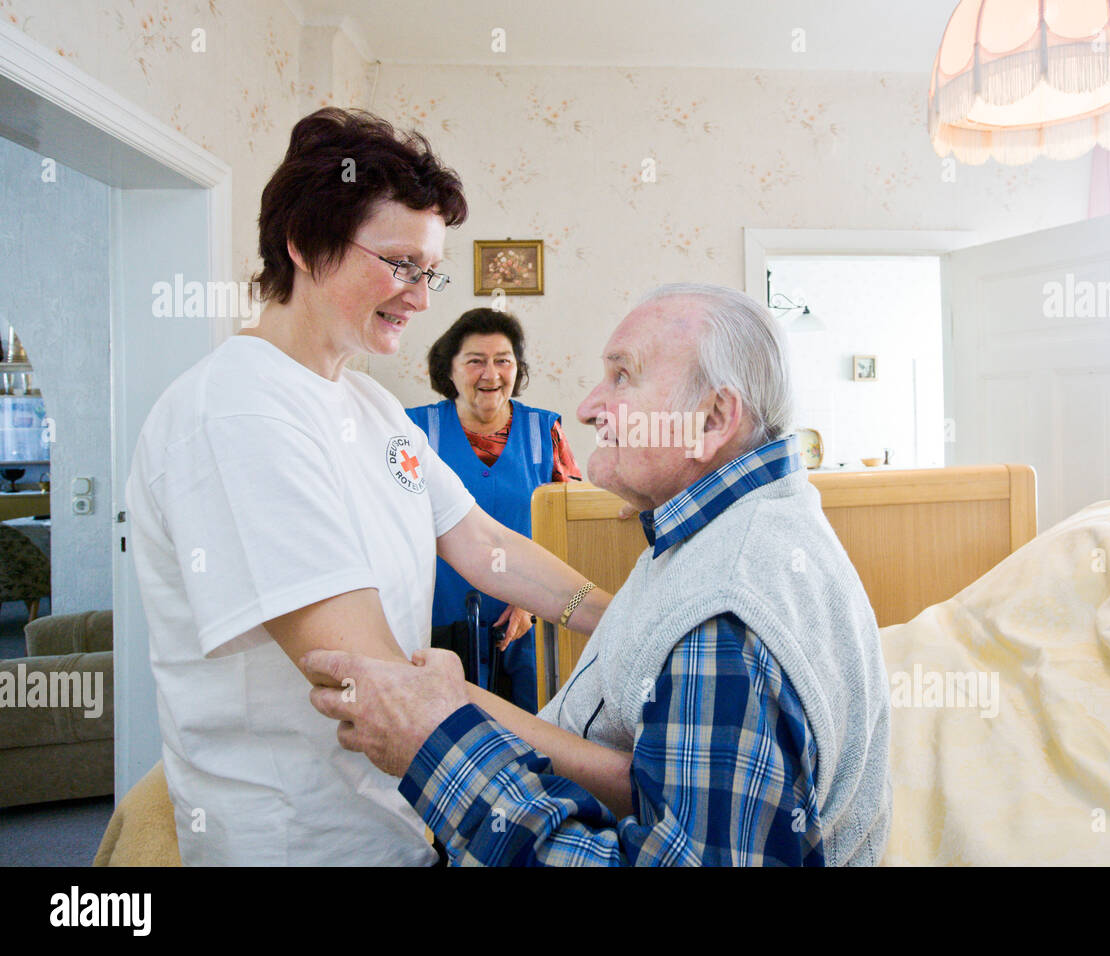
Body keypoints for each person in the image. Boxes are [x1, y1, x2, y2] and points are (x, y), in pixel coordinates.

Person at [124, 107, 622, 866]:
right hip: (302, 845)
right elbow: (382, 686)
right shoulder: (236, 415)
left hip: (395, 823)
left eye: (430, 270)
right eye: (399, 264)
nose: (422, 298)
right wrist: (621, 780)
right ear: (304, 244)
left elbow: (481, 543)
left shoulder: (371, 406)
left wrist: (627, 622)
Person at [305, 283, 893, 866]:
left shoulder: (721, 619)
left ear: (713, 419)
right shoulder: (738, 526)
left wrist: (440, 746)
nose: (587, 407)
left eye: (622, 376)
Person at [406, 308, 582, 714]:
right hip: (438, 624)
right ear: (448, 370)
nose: (491, 374)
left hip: (529, 629)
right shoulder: (414, 432)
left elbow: (569, 524)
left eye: (503, 360)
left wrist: (530, 601)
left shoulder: (545, 432)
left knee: (535, 736)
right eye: (475, 361)